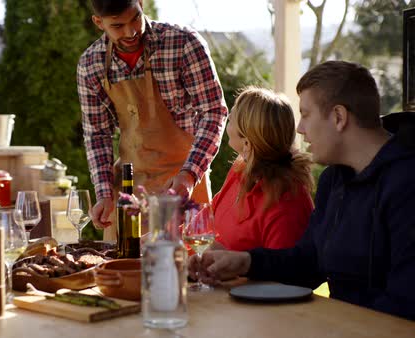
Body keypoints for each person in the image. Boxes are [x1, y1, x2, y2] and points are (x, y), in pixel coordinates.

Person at [192, 61, 415, 320]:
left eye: (306, 114)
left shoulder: (406, 185)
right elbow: (309, 261)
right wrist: (245, 262)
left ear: (339, 117)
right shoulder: (334, 180)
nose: (299, 129)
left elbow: (404, 305)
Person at [77, 0, 228, 238]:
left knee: (185, 266)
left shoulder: (183, 43)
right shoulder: (91, 65)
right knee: (123, 268)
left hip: (183, 184)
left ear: (141, 3)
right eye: (117, 26)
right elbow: (97, 134)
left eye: (135, 18)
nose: (131, 32)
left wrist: (189, 176)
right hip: (129, 188)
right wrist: (104, 193)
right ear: (99, 23)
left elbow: (213, 112)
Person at [192, 87, 313, 252]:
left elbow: (283, 272)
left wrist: (230, 261)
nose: (227, 118)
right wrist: (166, 239)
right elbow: (207, 219)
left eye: (231, 119)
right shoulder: (240, 170)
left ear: (247, 143)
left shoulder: (285, 203)